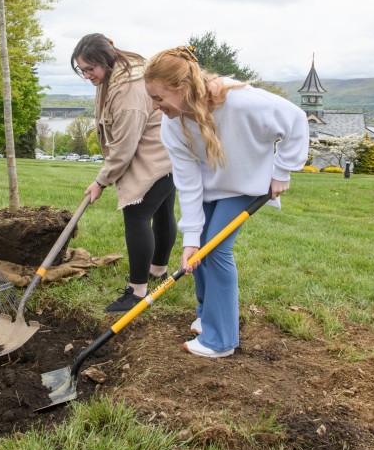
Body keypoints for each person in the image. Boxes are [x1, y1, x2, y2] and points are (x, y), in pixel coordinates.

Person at [143, 46, 309, 357]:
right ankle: (208, 317)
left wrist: (282, 171)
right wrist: (190, 238)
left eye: (158, 98)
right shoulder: (172, 124)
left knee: (216, 248)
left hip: (247, 186)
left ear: (182, 88)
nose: (155, 107)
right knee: (200, 249)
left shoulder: (243, 103)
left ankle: (220, 341)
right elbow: (188, 183)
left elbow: (296, 120)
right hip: (210, 188)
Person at [71, 34, 177, 313]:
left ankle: (138, 290)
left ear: (105, 60)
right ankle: (157, 271)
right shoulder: (120, 72)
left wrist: (101, 181)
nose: (87, 75)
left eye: (90, 68)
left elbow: (124, 146)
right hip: (167, 152)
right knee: (163, 211)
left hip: (153, 156)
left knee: (137, 213)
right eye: (82, 70)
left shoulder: (128, 89)